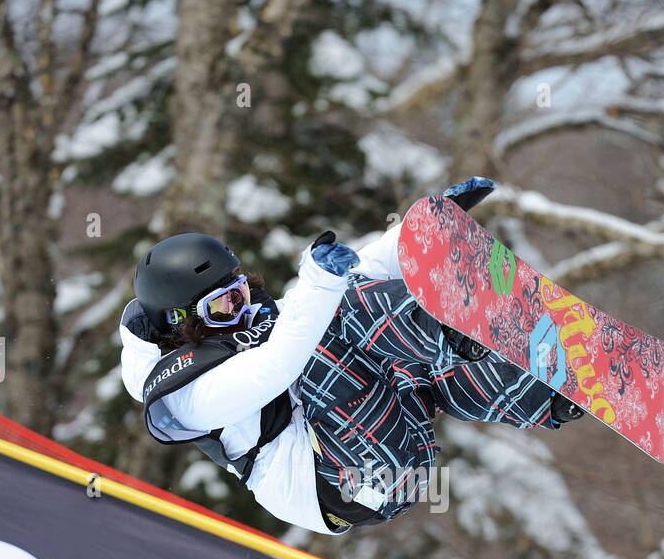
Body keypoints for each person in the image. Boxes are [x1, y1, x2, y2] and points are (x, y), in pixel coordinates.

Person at [118, 177, 582, 535]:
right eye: (221, 307)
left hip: (380, 451)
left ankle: (545, 394)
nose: (240, 308)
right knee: (329, 320)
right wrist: (320, 284)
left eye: (239, 292)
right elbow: (276, 367)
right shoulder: (182, 394)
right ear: (181, 322)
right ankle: (452, 330)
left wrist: (419, 232)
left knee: (380, 350)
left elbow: (359, 275)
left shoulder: (256, 325)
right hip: (339, 483)